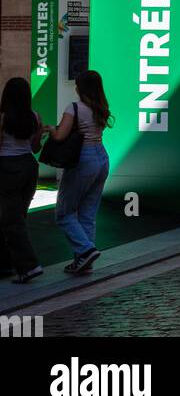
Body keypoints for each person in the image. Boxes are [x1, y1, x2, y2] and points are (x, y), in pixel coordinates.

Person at [46, 70, 112, 274]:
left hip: (83, 160)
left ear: (80, 88)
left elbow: (60, 136)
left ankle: (85, 250)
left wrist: (49, 129)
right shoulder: (100, 107)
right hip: (101, 157)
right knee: (87, 214)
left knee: (64, 212)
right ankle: (84, 262)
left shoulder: (74, 108)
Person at [0, 77, 44, 284]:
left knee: (11, 220)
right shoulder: (35, 117)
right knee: (17, 217)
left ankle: (29, 266)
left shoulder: (3, 117)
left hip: (7, 168)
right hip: (29, 167)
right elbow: (35, 148)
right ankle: (7, 263)